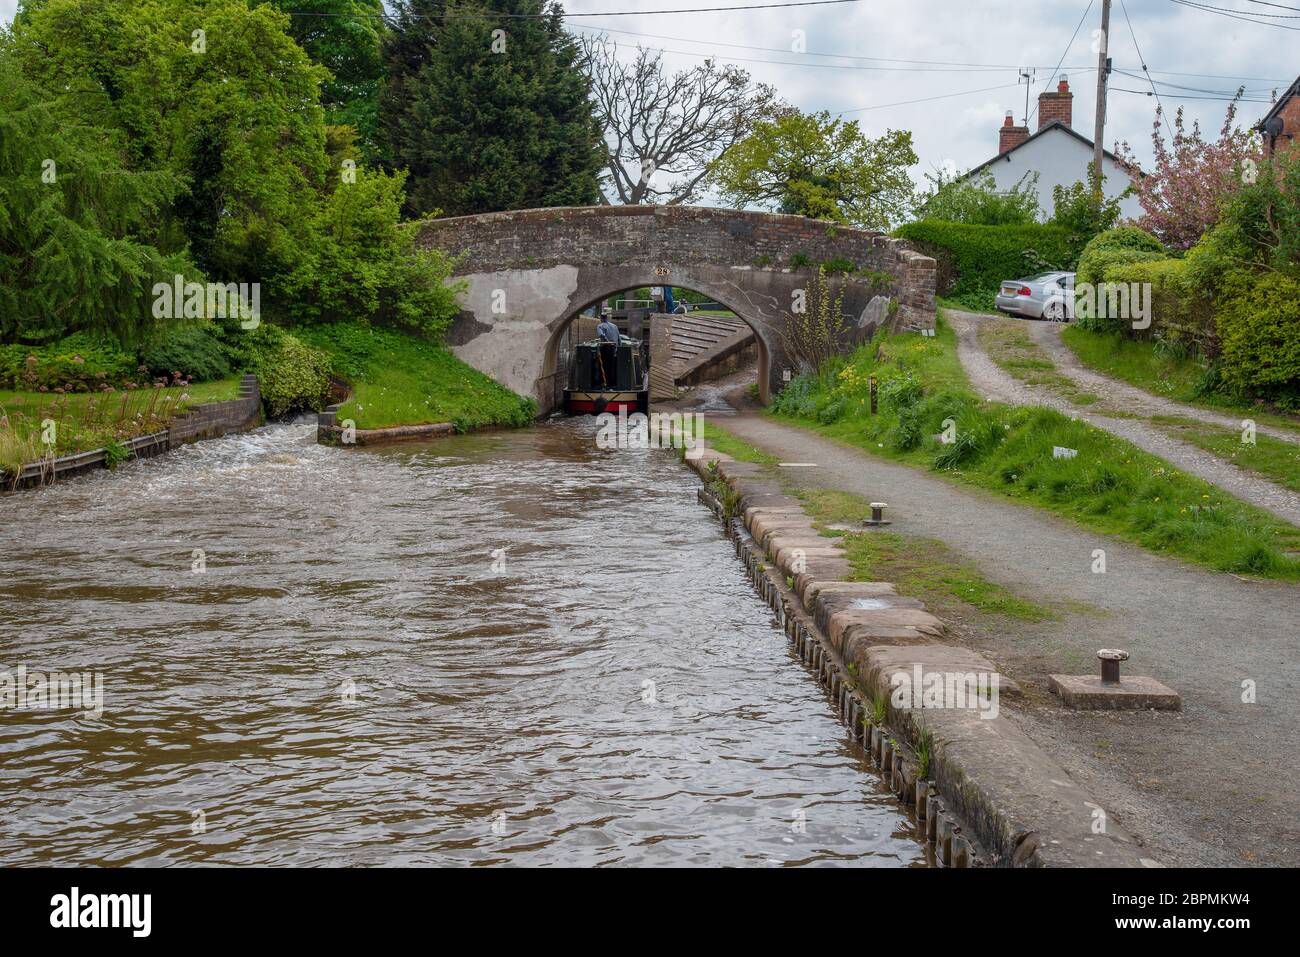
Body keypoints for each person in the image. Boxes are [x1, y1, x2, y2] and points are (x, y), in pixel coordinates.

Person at [596, 311, 619, 388]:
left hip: (605, 347)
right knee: (611, 365)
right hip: (613, 348)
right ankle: (611, 383)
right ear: (607, 318)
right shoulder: (615, 326)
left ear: (601, 318)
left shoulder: (600, 326)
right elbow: (619, 339)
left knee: (603, 364)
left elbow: (601, 335)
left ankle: (603, 382)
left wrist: (608, 342)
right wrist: (616, 348)